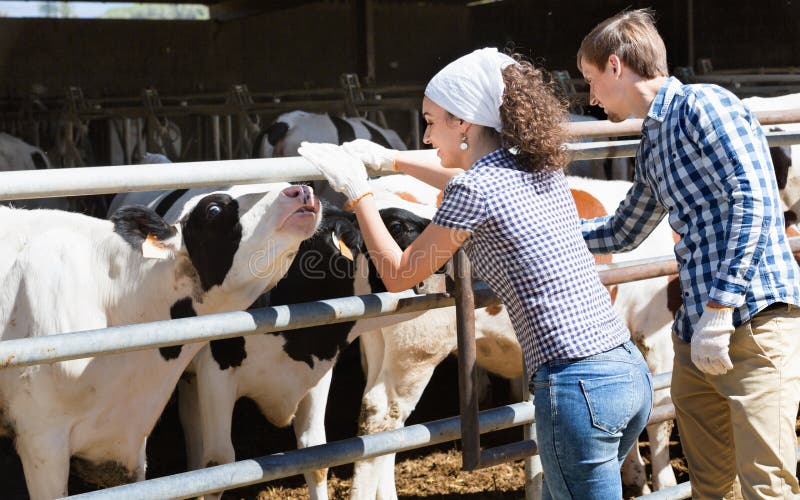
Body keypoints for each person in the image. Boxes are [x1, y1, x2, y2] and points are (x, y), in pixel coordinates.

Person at [299, 47, 652, 500]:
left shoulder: (475, 189)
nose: (425, 137)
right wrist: (391, 160)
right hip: (625, 372)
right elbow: (464, 178)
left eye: (430, 121)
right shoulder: (532, 165)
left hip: (576, 385)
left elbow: (400, 274)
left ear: (462, 123)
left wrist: (359, 194)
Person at [576, 9, 800, 499]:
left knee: (768, 487)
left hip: (754, 321)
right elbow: (623, 230)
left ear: (616, 66)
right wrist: (550, 232)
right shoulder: (653, 138)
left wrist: (720, 309)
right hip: (696, 334)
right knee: (711, 486)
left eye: (591, 80)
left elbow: (755, 202)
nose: (590, 97)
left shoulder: (706, 105)